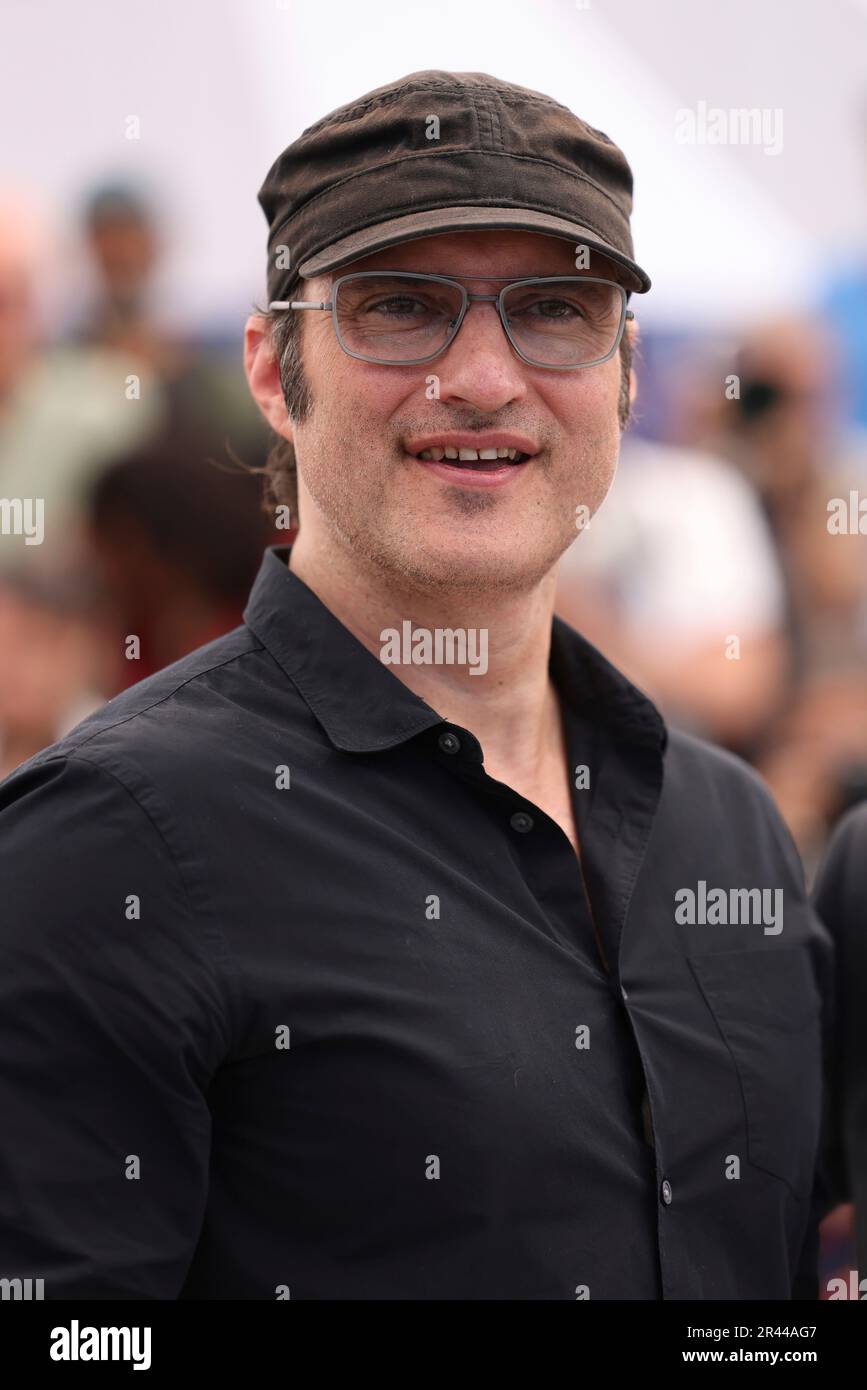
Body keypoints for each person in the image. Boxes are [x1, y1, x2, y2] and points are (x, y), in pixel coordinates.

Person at [0, 70, 834, 1300]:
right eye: (401, 307)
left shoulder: (730, 831)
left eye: (557, 308)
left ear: (623, 374)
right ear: (275, 370)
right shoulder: (107, 842)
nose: (486, 377)